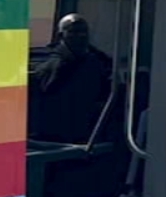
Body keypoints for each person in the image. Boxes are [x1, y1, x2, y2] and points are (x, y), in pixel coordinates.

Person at [29, 13, 114, 144]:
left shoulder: (97, 60)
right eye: (74, 31)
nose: (81, 36)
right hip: (51, 131)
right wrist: (70, 59)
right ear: (61, 35)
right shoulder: (47, 59)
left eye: (83, 31)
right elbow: (45, 85)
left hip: (84, 129)